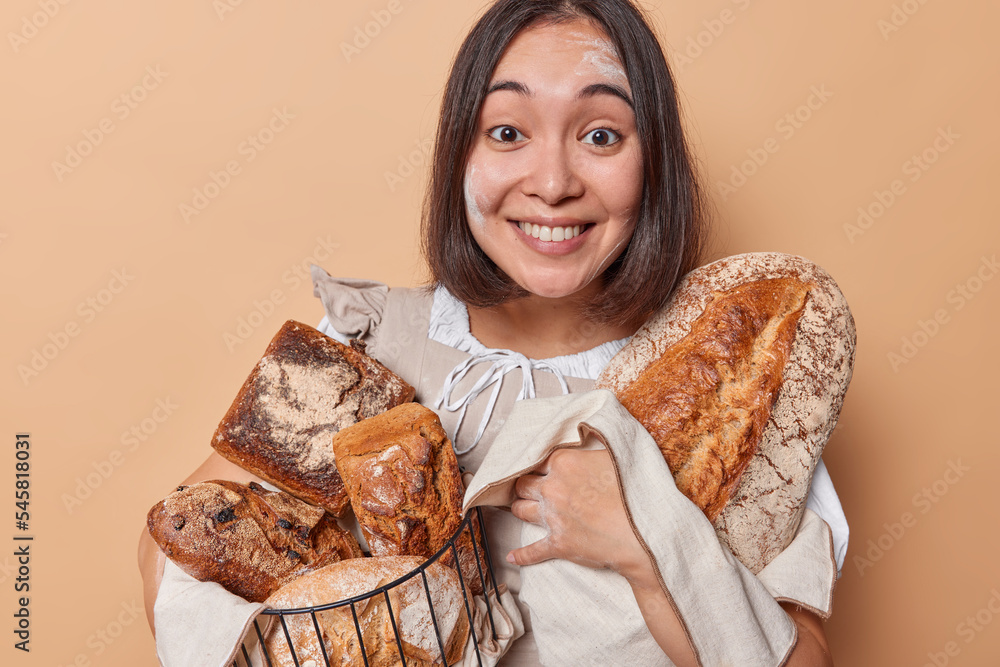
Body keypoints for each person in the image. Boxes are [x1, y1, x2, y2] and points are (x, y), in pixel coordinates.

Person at [139, 1, 846, 664]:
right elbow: (176, 544)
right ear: (460, 156)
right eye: (507, 132)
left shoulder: (732, 376)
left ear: (653, 160)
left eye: (601, 134)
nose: (552, 181)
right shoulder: (363, 349)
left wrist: (649, 541)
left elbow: (797, 652)